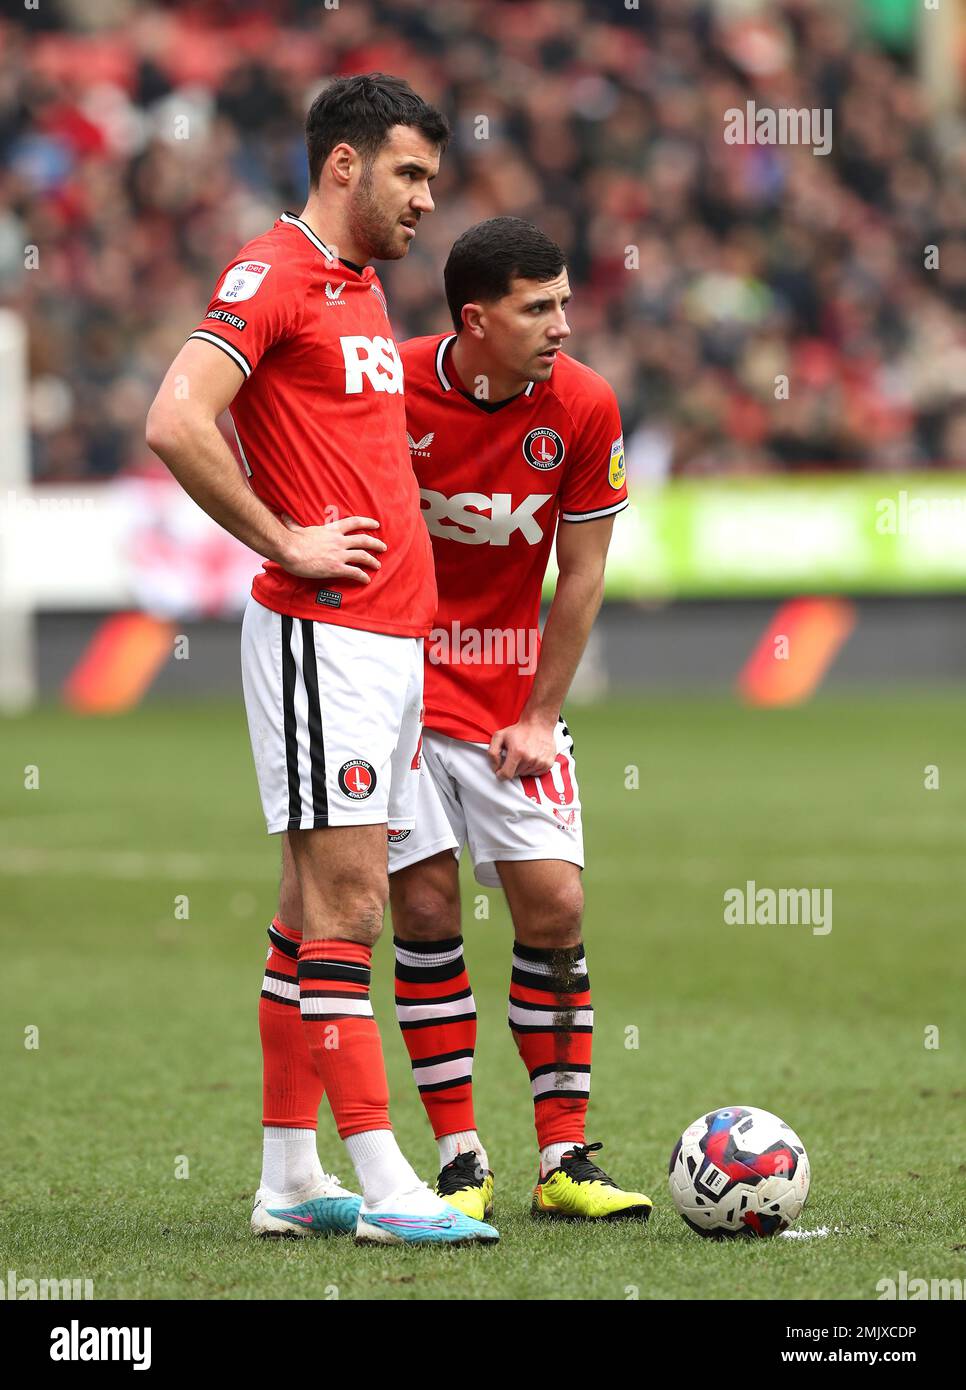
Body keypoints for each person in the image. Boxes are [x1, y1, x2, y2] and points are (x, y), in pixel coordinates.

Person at [145, 73, 498, 1248]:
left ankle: (291, 1178)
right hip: (324, 635)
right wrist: (286, 538)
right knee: (352, 902)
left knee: (309, 911)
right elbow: (176, 417)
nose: (426, 200)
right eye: (410, 174)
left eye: (432, 178)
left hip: (387, 642)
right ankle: (388, 1180)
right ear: (343, 164)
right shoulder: (272, 275)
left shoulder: (358, 285)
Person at [277, 216, 653, 1223]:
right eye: (539, 308)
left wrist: (542, 714)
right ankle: (460, 1157)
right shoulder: (391, 384)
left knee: (557, 905)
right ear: (476, 319)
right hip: (397, 687)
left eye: (565, 302)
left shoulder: (584, 406)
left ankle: (564, 1157)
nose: (563, 324)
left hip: (511, 701)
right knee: (427, 909)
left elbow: (582, 572)